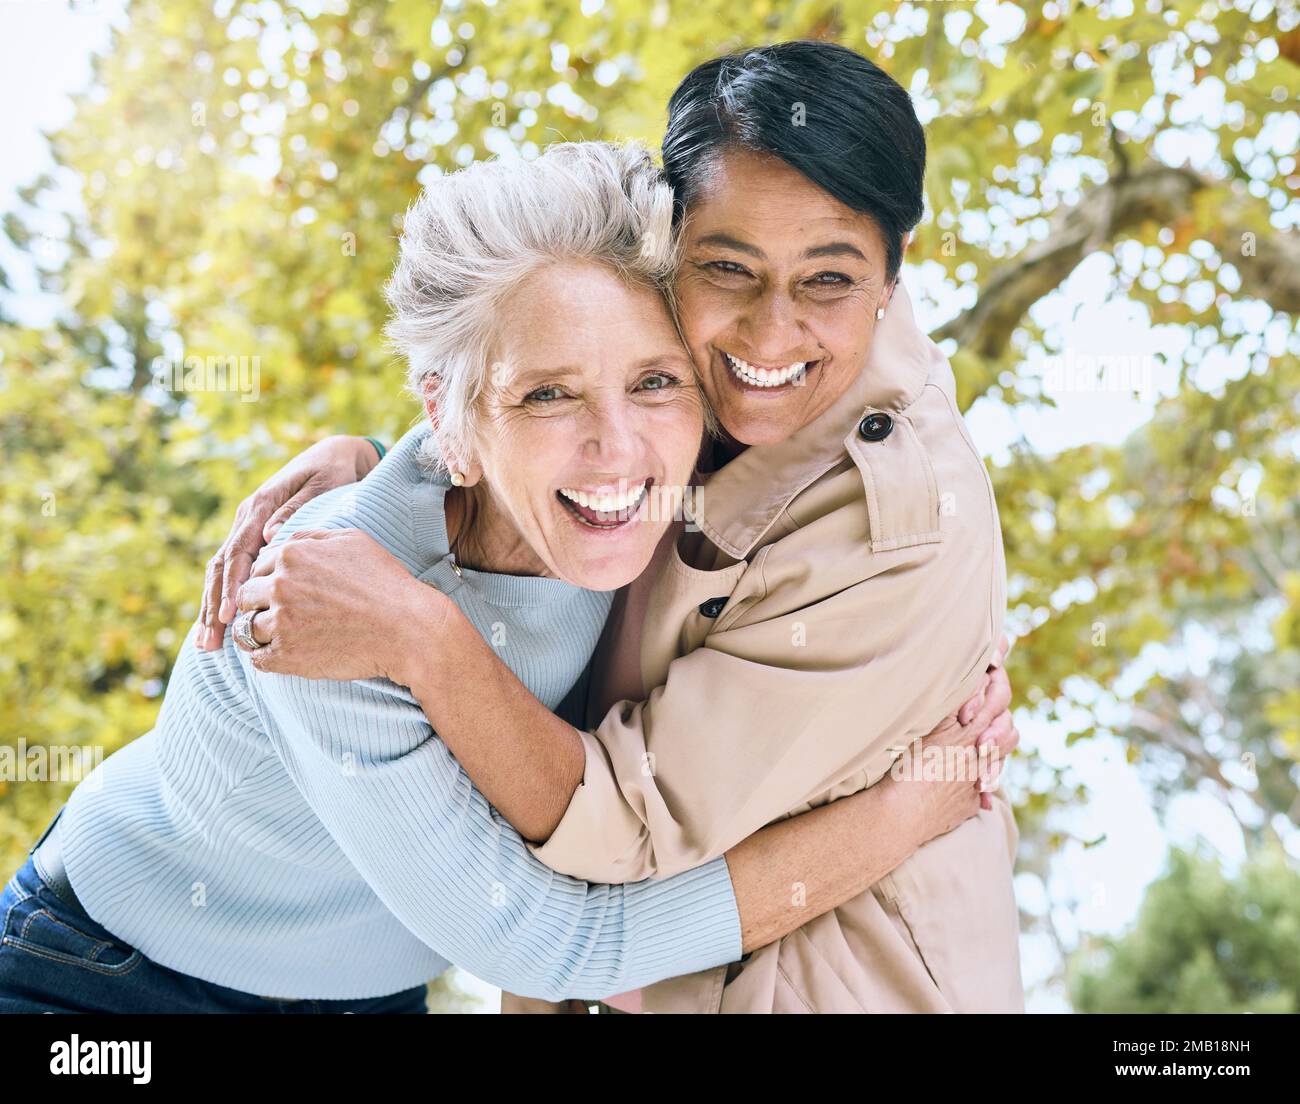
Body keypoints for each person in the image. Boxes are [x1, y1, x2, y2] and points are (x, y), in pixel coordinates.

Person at [0, 140, 1007, 1015]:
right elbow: (553, 943)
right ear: (452, 424)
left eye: (655, 381)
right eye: (548, 395)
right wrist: (901, 816)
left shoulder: (657, 482)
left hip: (366, 999)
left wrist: (352, 446)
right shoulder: (326, 607)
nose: (615, 451)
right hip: (104, 980)